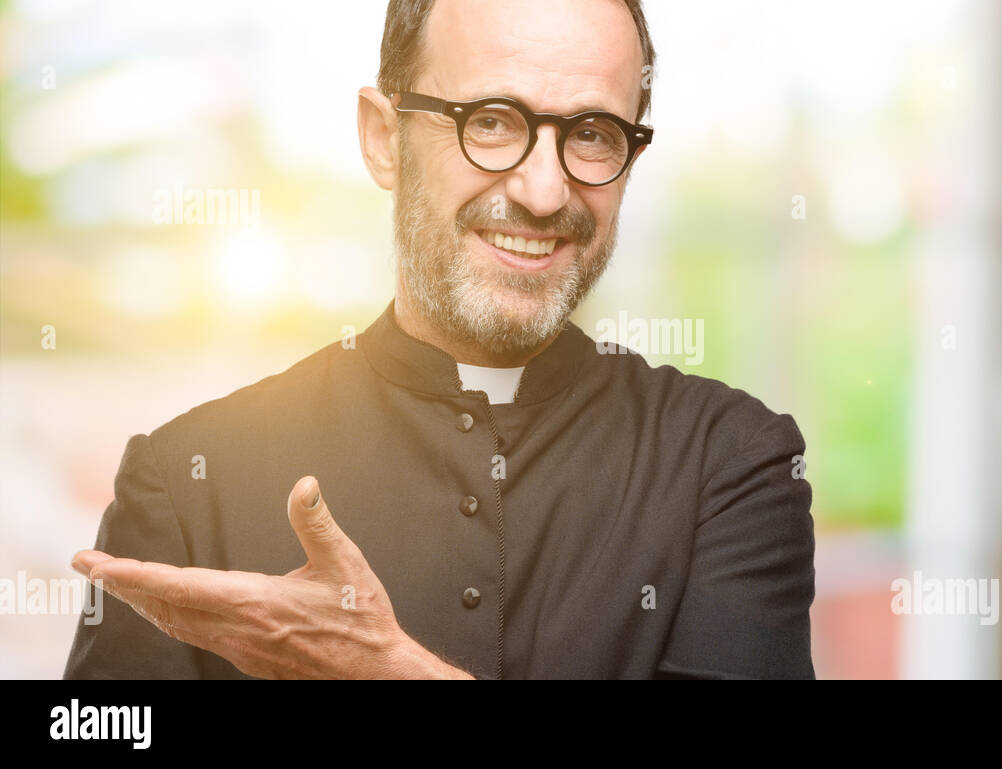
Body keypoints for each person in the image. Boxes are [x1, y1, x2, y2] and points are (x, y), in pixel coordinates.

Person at [64, 0, 815, 680]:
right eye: (491, 120)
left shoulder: (732, 465)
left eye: (591, 133)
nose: (543, 191)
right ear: (383, 138)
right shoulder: (185, 481)